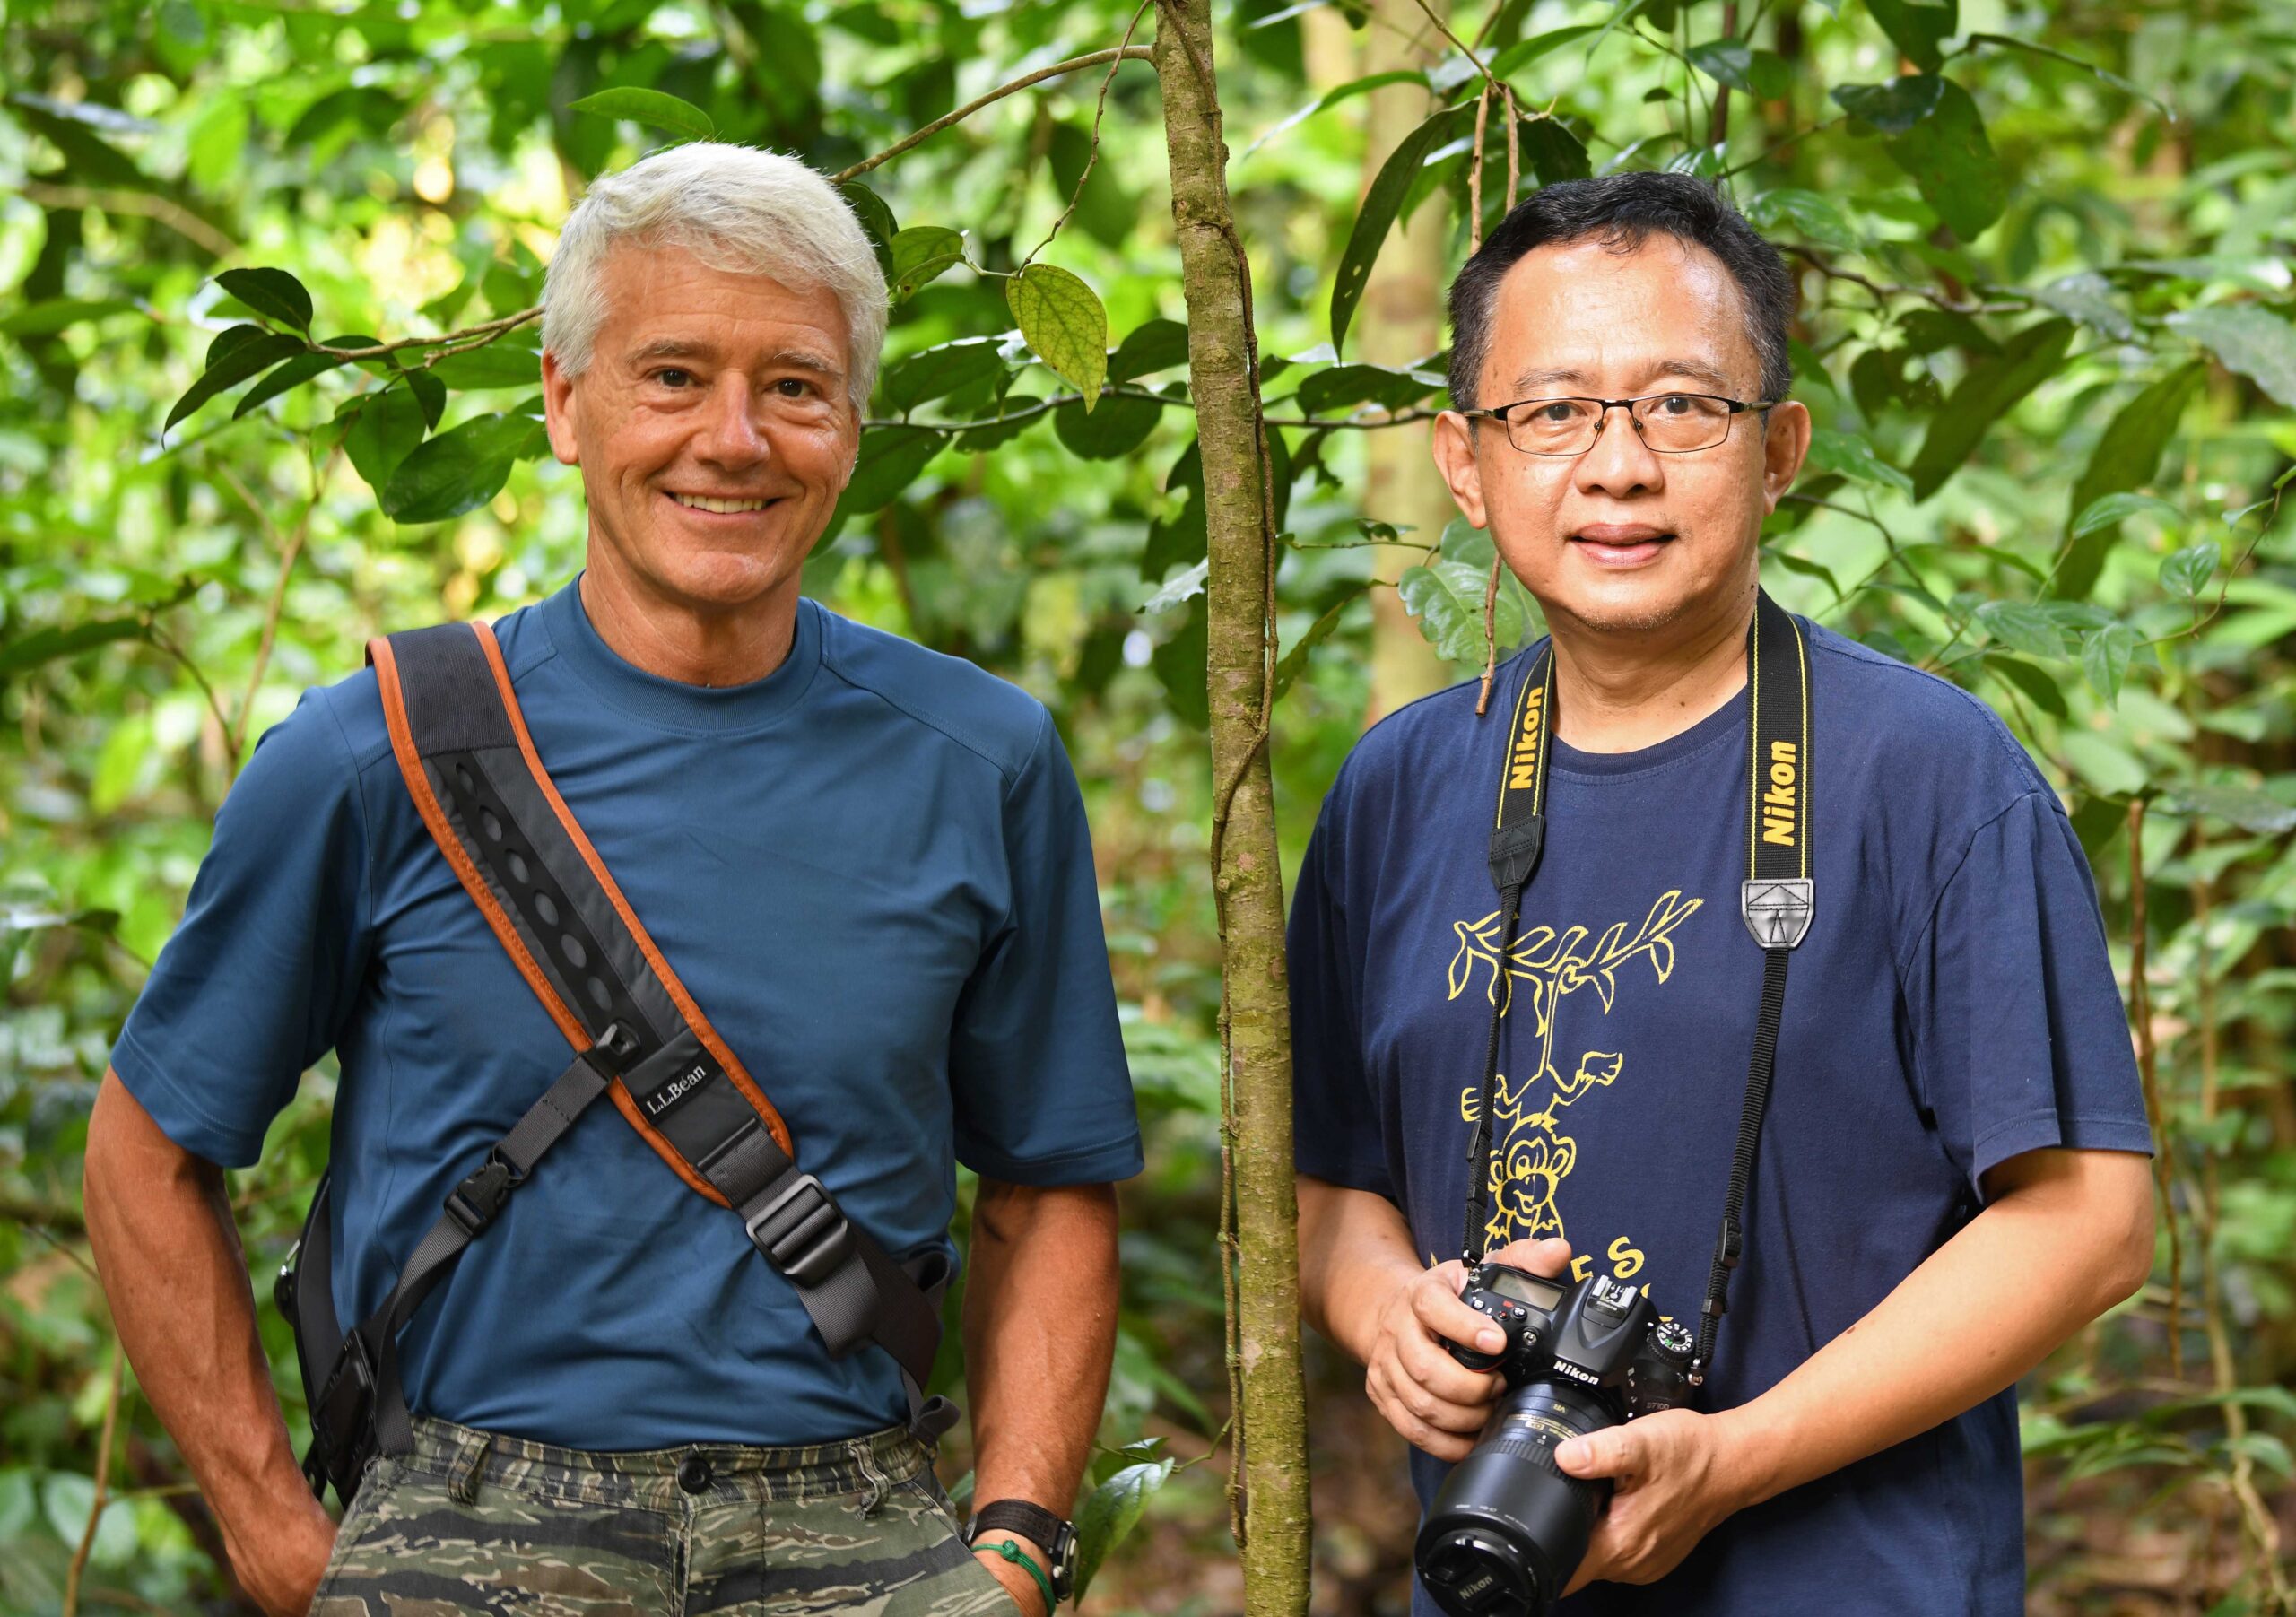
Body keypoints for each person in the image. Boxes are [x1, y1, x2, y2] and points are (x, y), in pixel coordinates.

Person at [83, 142, 1141, 1617]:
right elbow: (143, 1154)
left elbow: (1047, 1186)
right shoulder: (376, 753)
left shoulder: (982, 758)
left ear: (852, 426)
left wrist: (1016, 1547)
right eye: (672, 377)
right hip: (462, 1513)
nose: (733, 439)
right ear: (564, 404)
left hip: (857, 1520)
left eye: (794, 386)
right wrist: (275, 1533)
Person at [1288, 171, 2154, 1615]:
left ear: (1779, 451)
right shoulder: (1397, 788)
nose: (1617, 467)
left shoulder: (1930, 774)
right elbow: (1331, 1187)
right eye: (1551, 412)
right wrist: (1389, 1314)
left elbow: (2090, 1222)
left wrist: (1739, 1459)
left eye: (1682, 405)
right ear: (1463, 460)